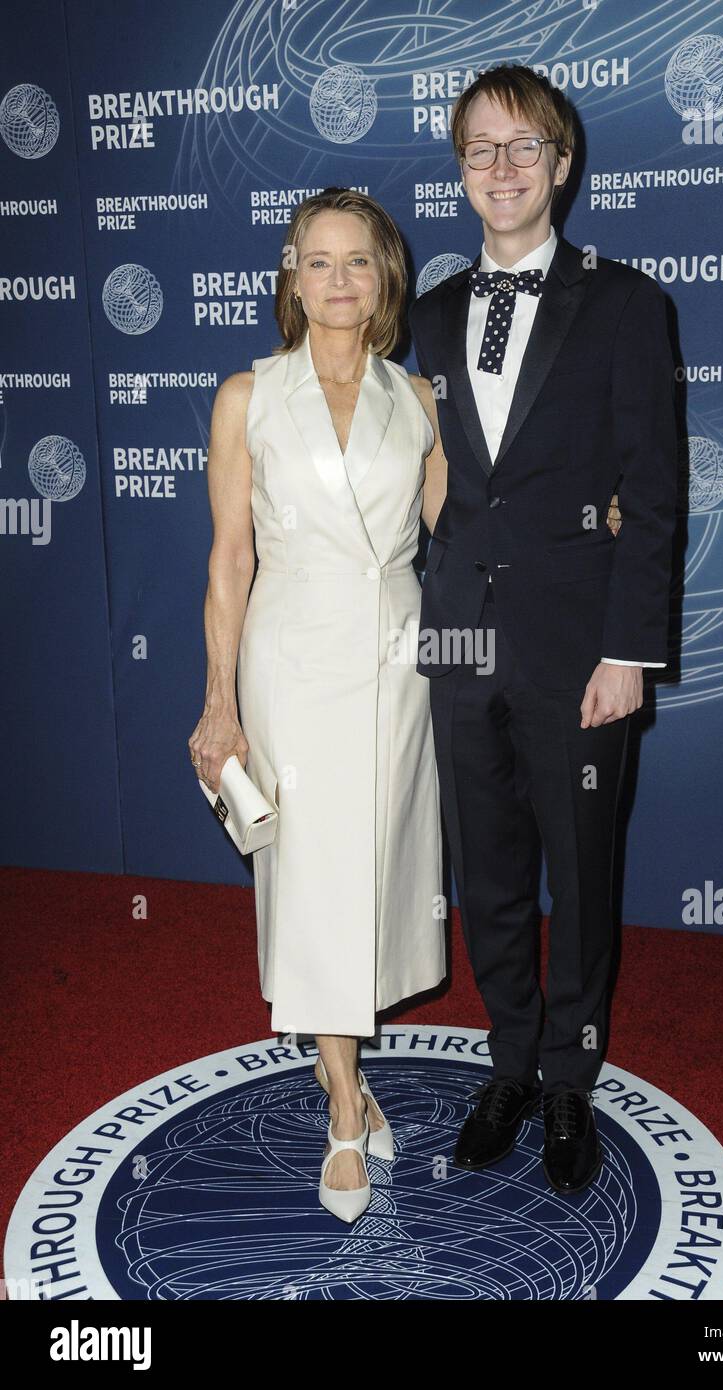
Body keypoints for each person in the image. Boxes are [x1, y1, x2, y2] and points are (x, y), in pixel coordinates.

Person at [408, 65, 679, 1193]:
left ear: (562, 166)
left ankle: (570, 1079)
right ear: (460, 171)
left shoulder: (626, 303)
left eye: (526, 148)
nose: (504, 168)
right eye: (481, 149)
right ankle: (508, 1060)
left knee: (581, 864)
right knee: (490, 869)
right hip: (457, 634)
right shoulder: (424, 314)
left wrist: (627, 652)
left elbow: (653, 489)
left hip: (580, 644)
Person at [188, 188, 447, 1223]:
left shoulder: (419, 401)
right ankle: (345, 1100)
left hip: (396, 658)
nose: (338, 282)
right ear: (291, 277)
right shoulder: (248, 396)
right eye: (318, 262)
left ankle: (342, 1064)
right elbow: (230, 557)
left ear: (385, 278)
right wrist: (218, 703)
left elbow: (463, 531)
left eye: (359, 263)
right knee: (313, 877)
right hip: (290, 654)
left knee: (373, 874)